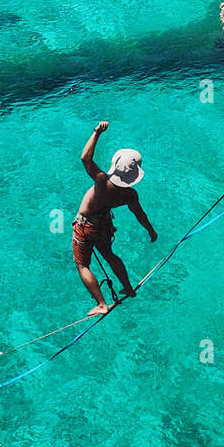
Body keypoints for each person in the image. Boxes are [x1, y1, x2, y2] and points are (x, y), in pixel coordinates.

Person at [71, 121, 156, 316]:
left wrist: (97, 133)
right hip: (104, 225)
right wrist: (150, 230)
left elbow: (85, 158)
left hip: (86, 225)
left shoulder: (102, 181)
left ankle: (101, 304)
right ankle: (128, 287)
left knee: (82, 265)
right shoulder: (130, 195)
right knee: (109, 255)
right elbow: (139, 214)